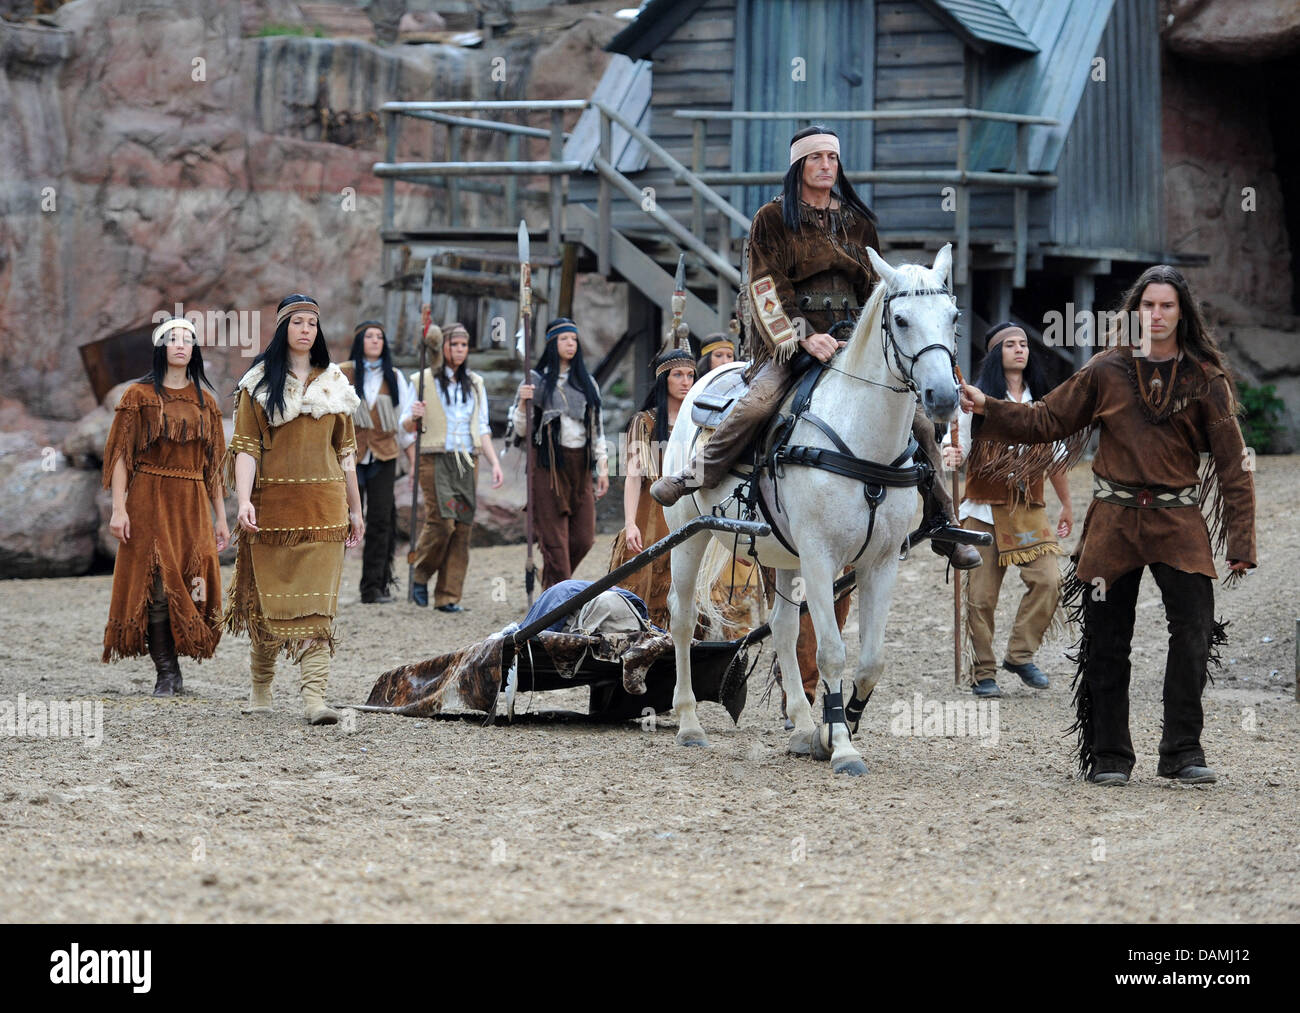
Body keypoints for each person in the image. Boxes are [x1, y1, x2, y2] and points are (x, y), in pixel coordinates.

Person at [960, 266, 1256, 785]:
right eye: (1148, 305)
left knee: (1194, 632)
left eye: (1167, 306)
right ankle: (1109, 755)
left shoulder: (1205, 378)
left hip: (1178, 520)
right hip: (1113, 522)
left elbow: (1233, 462)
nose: (1157, 315)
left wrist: (1241, 540)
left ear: (1182, 313)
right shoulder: (1106, 369)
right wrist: (990, 406)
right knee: (1105, 640)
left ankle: (1183, 751)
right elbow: (1047, 419)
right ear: (1136, 311)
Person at [650, 125, 980, 570]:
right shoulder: (772, 218)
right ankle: (696, 475)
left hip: (853, 343)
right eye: (816, 158)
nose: (826, 166)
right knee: (758, 404)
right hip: (790, 344)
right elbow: (764, 288)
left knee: (918, 422)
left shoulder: (858, 221)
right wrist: (803, 335)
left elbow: (875, 292)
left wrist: (870, 343)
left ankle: (943, 521)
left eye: (832, 158)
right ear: (799, 166)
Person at [224, 294, 365, 725]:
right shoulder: (257, 384)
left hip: (325, 512)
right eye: (298, 321)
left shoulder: (335, 384)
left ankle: (314, 700)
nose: (306, 329)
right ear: (283, 327)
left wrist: (356, 510)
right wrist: (243, 501)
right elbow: (245, 449)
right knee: (269, 603)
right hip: (272, 512)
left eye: (312, 323)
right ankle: (260, 689)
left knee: (317, 608)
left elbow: (346, 454)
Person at [942, 322, 1074, 697]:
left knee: (1049, 581)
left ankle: (1019, 655)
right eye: (1010, 344)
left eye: (1024, 344)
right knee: (981, 598)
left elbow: (1057, 459)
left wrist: (1066, 504)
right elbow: (955, 446)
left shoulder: (1043, 404)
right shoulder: (975, 401)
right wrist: (951, 454)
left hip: (1028, 509)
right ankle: (983, 672)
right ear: (994, 354)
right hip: (982, 511)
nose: (1020, 349)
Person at [101, 317, 229, 695]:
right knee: (156, 584)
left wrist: (221, 519)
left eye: (188, 339)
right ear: (161, 347)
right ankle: (167, 672)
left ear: (194, 350)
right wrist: (119, 509)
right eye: (173, 338)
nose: (181, 344)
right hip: (148, 498)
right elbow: (120, 456)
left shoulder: (206, 402)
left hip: (192, 503)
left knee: (193, 581)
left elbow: (214, 468)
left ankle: (176, 661)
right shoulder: (137, 396)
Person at [401, 321, 504, 612]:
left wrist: (495, 463)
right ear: (441, 347)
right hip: (435, 458)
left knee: (463, 527)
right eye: (454, 344)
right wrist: (414, 416)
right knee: (443, 522)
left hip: (468, 461)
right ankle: (420, 572)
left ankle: (448, 595)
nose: (459, 350)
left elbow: (482, 427)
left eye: (464, 345)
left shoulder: (475, 383)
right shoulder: (421, 380)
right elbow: (404, 427)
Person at [509, 317, 610, 589]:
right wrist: (523, 403)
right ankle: (560, 601)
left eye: (574, 339)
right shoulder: (535, 382)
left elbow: (597, 428)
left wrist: (602, 466)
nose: (570, 344)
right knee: (556, 543)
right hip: (547, 466)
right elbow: (521, 430)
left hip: (580, 466)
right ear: (552, 344)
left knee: (584, 538)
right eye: (564, 339)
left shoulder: (587, 383)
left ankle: (551, 582)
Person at [607, 347, 696, 628]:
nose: (685, 382)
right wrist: (630, 523)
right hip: (651, 515)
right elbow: (634, 476)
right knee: (645, 586)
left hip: (691, 511)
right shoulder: (644, 422)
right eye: (677, 375)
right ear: (663, 380)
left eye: (690, 375)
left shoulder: (699, 421)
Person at [339, 319, 416, 604]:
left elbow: (403, 423)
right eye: (369, 336)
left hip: (384, 456)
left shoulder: (394, 376)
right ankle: (325, 584)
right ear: (360, 341)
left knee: (382, 520)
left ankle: (374, 587)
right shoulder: (341, 373)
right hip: (349, 457)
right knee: (340, 517)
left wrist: (413, 463)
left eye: (380, 337)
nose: (375, 341)